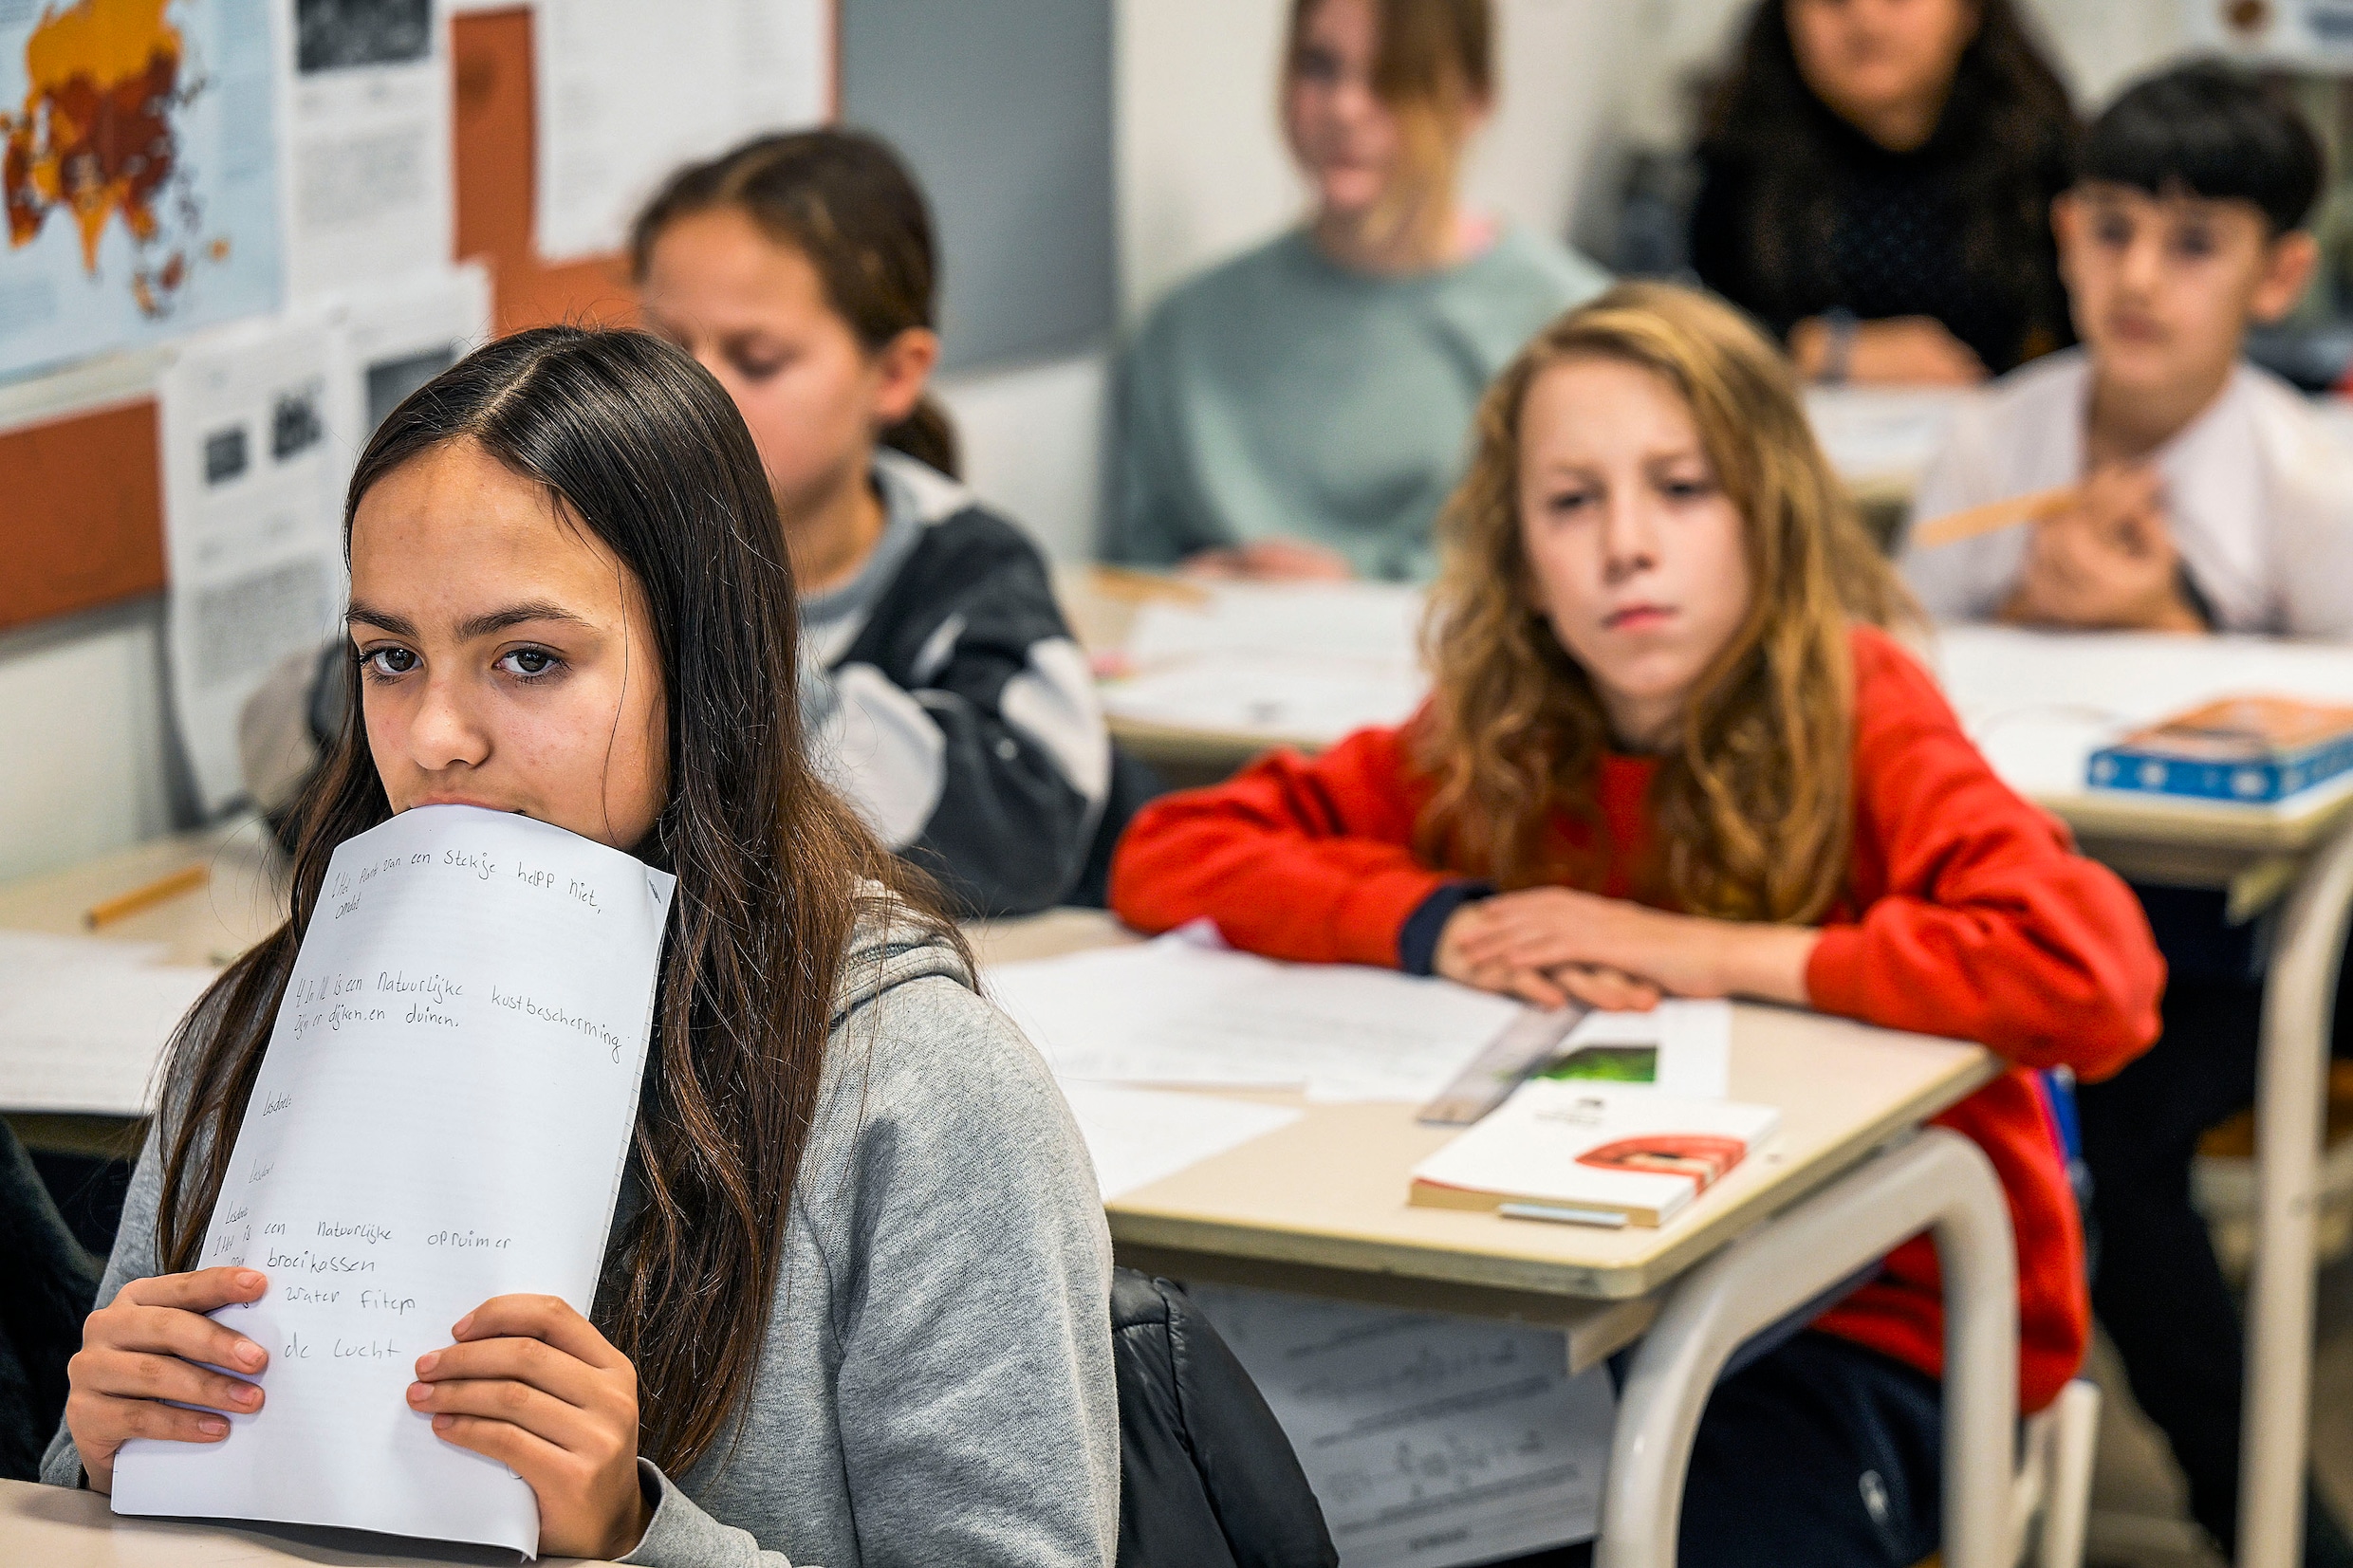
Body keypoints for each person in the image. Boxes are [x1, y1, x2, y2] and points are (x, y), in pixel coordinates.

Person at [1111, 283, 2162, 1564]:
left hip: (1874, 1319)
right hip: (1561, 1310)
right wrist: (1440, 918)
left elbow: (2093, 972)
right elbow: (1175, 850)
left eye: (1682, 487)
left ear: (1768, 513)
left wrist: (1706, 953)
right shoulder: (1503, 733)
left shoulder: (1858, 705)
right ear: (1518, 553)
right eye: (1570, 502)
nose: (1626, 545)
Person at [45, 328, 1121, 1567]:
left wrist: (630, 1538)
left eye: (530, 660)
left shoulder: (922, 1090)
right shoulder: (263, 1032)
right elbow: (113, 1507)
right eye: (391, 659)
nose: (436, 734)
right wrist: (108, 1450)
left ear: (707, 667)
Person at [246, 129, 1134, 917]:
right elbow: (283, 745)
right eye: (668, 347)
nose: (701, 390)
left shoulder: (964, 567)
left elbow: (1036, 827)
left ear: (895, 375)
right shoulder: (563, 559)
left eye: (757, 358)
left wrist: (727, 657)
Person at [1901, 62, 2353, 1565]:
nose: (2139, 278)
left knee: (2119, 1122)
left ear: (2282, 269)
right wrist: (2032, 608)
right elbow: (1906, 689)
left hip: (2254, 933)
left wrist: (2165, 629)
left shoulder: (2310, 477)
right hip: (2035, 900)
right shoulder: (1993, 447)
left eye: (2195, 243)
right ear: (2060, 234)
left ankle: (2265, 1515)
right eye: (2107, 231)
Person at [1110, 0, 1610, 582]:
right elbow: (1128, 577)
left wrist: (1356, 591)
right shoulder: (1182, 334)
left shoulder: (1572, 331)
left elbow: (1584, 569)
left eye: (1393, 76)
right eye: (1319, 67)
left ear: (1475, 101)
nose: (1346, 108)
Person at [1691, 0, 2077, 385]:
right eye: (1832, 1)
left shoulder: (2050, 163)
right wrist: (1825, 349)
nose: (1866, 21)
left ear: (1970, 12)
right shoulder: (1738, 155)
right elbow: (1688, 328)